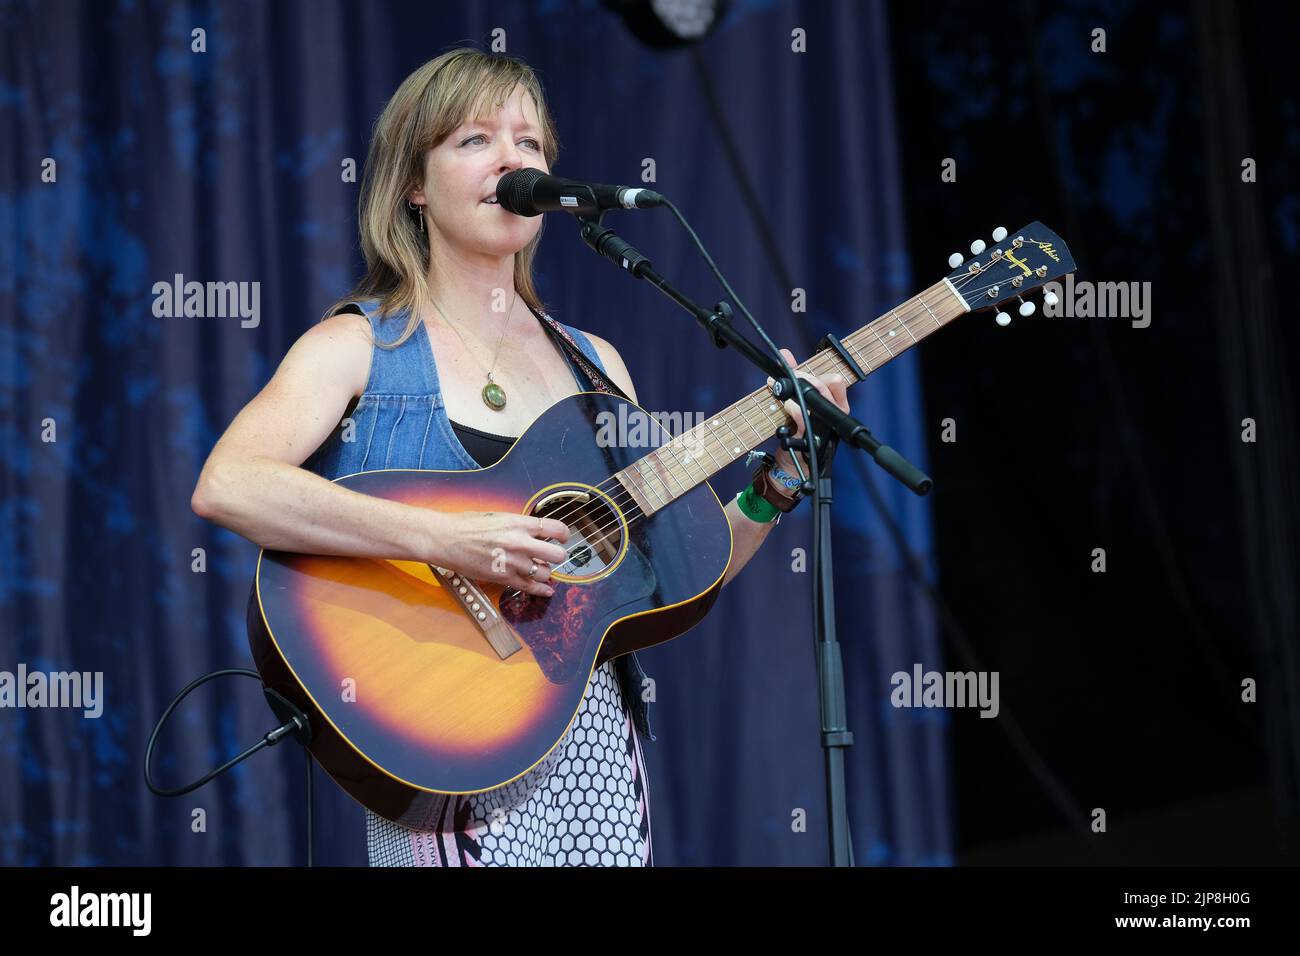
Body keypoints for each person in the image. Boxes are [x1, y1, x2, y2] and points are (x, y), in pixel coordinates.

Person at [190, 47, 850, 866]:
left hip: (592, 748)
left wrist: (775, 484)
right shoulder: (359, 347)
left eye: (530, 144)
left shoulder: (594, 365)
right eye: (475, 139)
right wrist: (447, 542)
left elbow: (668, 574)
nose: (512, 160)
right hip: (447, 727)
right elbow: (229, 485)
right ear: (414, 185)